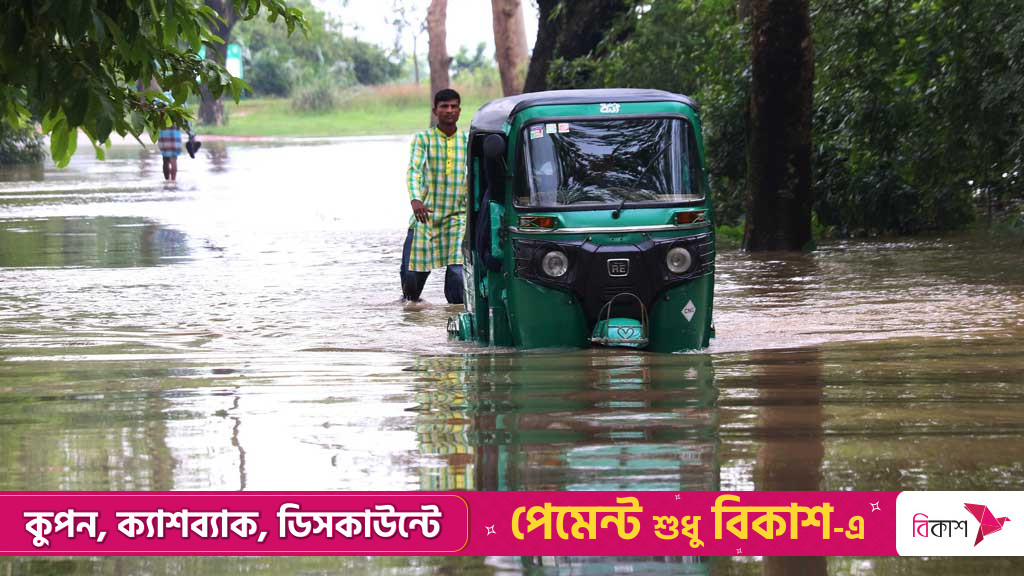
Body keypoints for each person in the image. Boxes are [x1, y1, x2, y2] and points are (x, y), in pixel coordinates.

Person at [401, 88, 468, 304]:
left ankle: (455, 318)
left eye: (453, 106)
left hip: (457, 218)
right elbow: (414, 170)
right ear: (435, 110)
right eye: (444, 107)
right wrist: (415, 200)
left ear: (459, 110)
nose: (449, 111)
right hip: (425, 216)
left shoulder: (468, 140)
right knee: (411, 285)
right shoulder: (423, 139)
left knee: (458, 274)